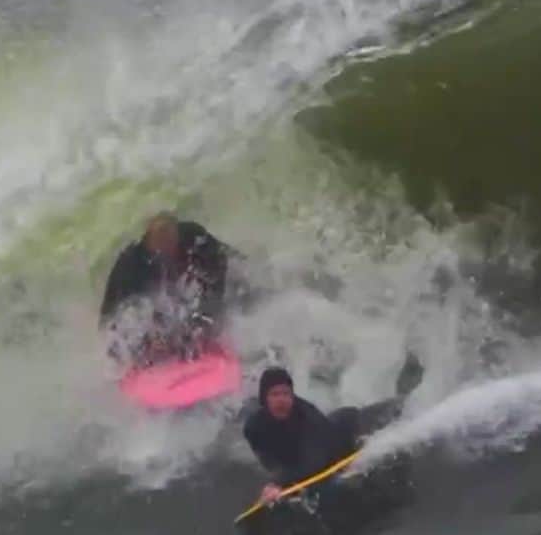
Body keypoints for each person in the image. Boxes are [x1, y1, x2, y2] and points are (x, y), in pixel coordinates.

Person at [243, 364, 412, 505]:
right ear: (264, 399)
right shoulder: (253, 427)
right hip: (329, 429)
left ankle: (410, 384)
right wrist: (277, 481)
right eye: (275, 394)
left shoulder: (307, 417)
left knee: (397, 407)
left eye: (286, 393)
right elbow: (269, 460)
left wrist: (279, 483)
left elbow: (315, 462)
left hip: (351, 429)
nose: (282, 400)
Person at [100, 213, 232, 365]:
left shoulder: (193, 238)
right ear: (148, 240)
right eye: (160, 243)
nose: (166, 249)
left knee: (218, 307)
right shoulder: (131, 266)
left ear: (177, 234)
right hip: (132, 307)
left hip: (206, 278)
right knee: (140, 335)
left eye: (170, 242)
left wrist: (208, 317)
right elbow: (114, 316)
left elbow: (220, 262)